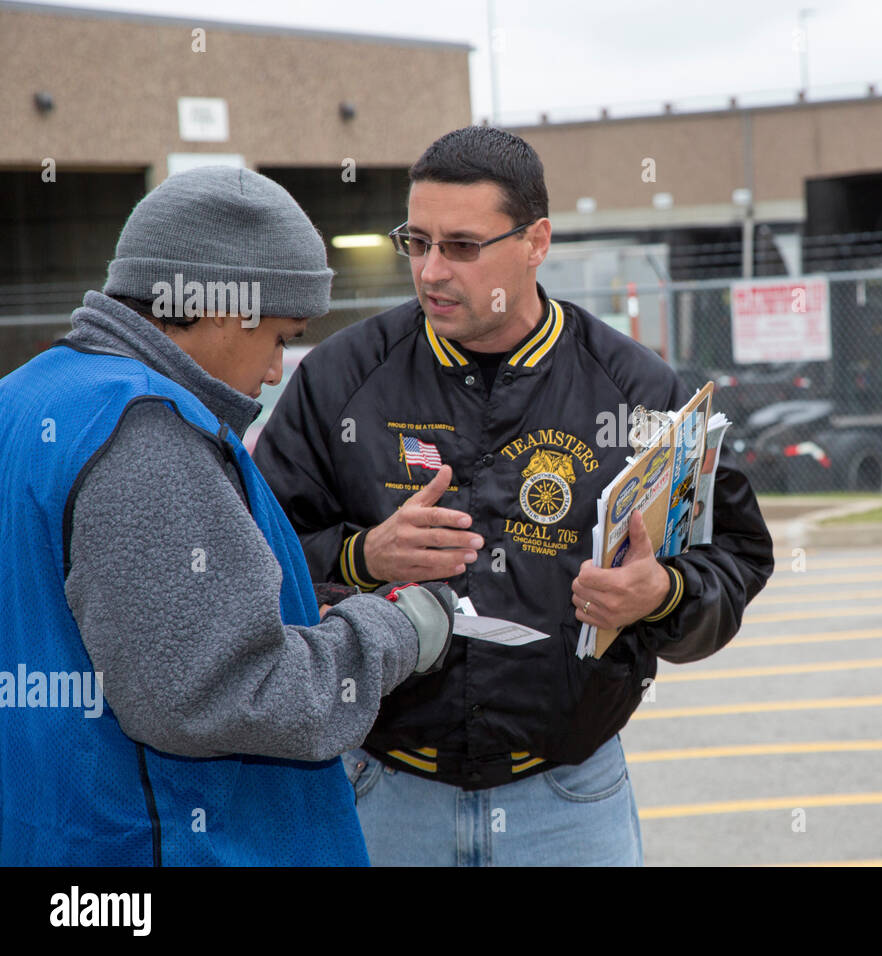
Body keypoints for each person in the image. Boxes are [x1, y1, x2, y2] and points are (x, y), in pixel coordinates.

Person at [253, 126, 774, 866]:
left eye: (461, 246)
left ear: (536, 241)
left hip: (568, 802)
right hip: (381, 792)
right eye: (417, 241)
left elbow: (738, 556)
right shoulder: (340, 379)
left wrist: (659, 593)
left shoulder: (639, 392)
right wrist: (360, 555)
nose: (431, 270)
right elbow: (249, 559)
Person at [0, 166, 458, 866]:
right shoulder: (144, 431)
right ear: (224, 310)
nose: (278, 370)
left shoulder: (27, 398)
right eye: (280, 336)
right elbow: (217, 692)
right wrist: (395, 630)